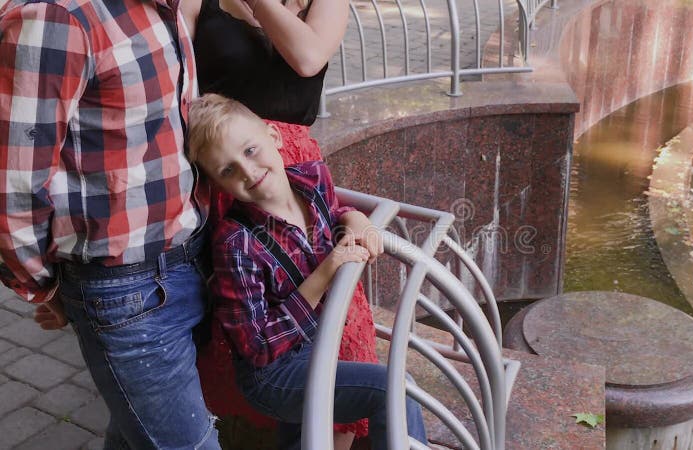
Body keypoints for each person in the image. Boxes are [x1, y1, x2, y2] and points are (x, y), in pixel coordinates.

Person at [0, 0, 221, 448]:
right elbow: (13, 187)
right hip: (124, 292)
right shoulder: (58, 18)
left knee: (135, 431)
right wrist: (46, 288)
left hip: (188, 258)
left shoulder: (165, 7)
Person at [181, 0, 382, 445]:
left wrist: (351, 216)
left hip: (288, 163)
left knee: (337, 327)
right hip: (223, 171)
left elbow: (308, 59)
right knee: (238, 317)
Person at [188, 93, 427, 450]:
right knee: (393, 389)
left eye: (250, 151)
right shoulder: (235, 243)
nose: (248, 172)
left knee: (303, 439)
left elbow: (333, 213)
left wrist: (354, 218)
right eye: (228, 170)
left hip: (316, 347)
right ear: (218, 185)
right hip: (274, 374)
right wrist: (327, 270)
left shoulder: (313, 179)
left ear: (274, 136)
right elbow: (256, 347)